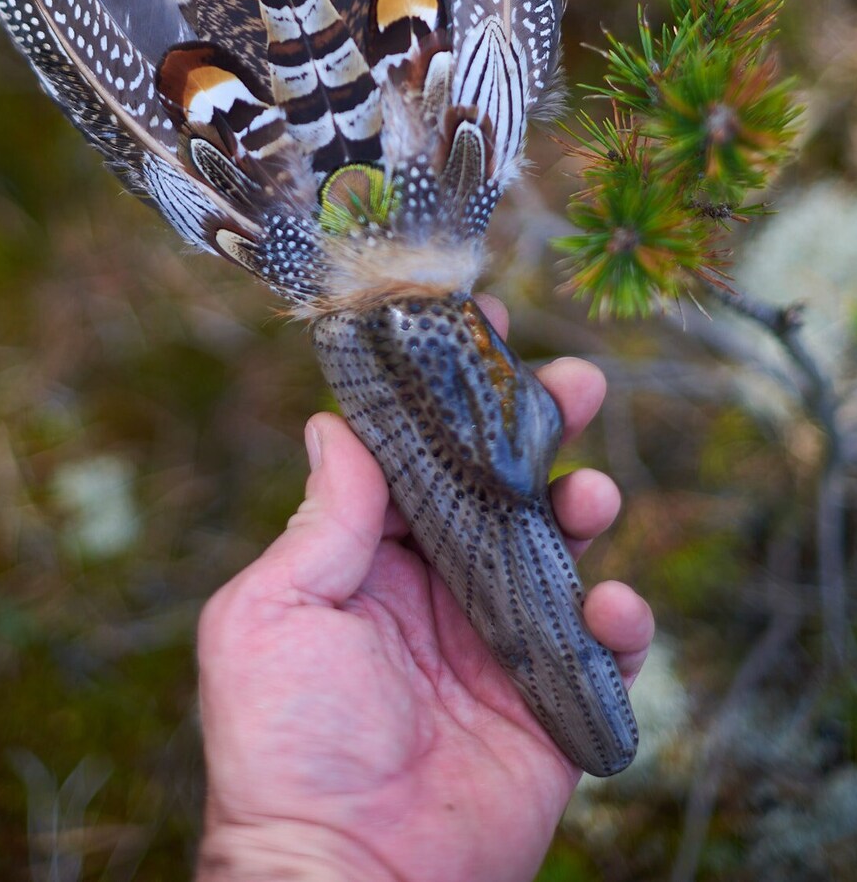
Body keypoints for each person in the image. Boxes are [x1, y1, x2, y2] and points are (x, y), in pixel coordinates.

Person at [196, 297, 654, 881]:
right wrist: (308, 843)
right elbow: (506, 456)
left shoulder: (380, 330)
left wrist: (307, 846)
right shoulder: (374, 334)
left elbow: (507, 456)